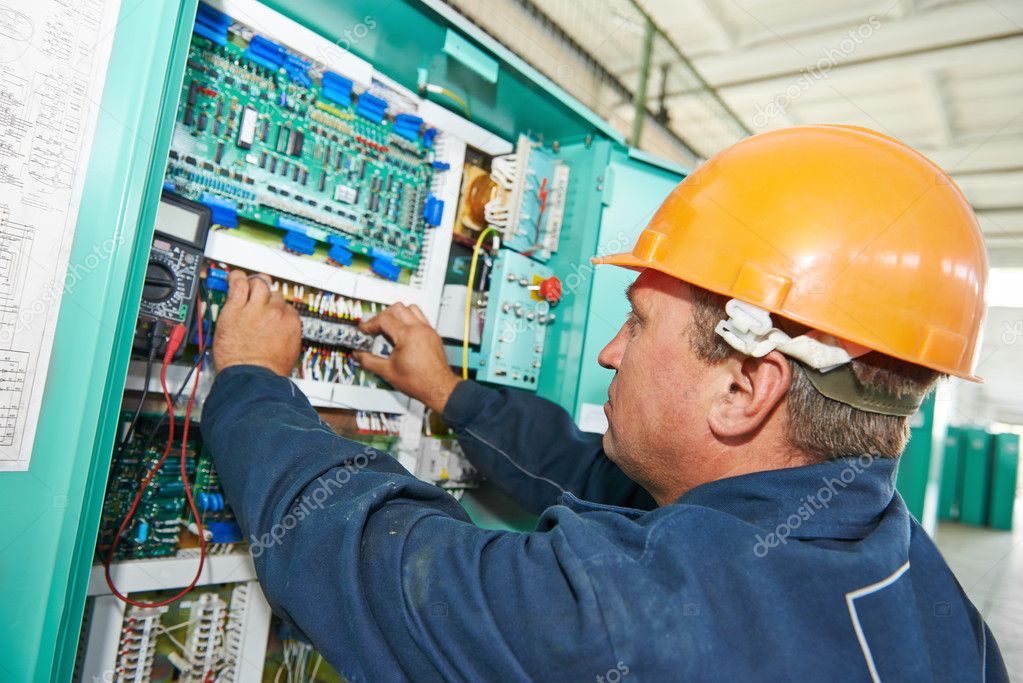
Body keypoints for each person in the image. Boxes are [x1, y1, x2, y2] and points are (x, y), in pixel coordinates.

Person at [204, 125, 1008, 682]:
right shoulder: (929, 597)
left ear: (742, 389)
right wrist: (450, 392)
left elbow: (363, 557)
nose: (608, 351)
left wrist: (251, 379)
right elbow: (600, 481)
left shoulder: (635, 622)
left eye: (637, 322)